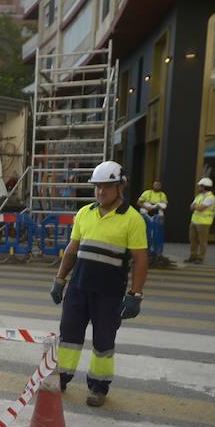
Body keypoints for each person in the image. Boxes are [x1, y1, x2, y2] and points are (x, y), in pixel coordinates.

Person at [49, 160, 148, 408]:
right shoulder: (85, 213)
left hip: (110, 294)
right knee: (69, 336)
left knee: (104, 342)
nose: (101, 192)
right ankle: (60, 379)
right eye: (97, 187)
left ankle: (98, 387)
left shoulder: (133, 219)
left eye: (106, 187)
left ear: (119, 187)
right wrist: (60, 280)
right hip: (78, 289)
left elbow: (140, 259)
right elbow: (72, 250)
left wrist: (135, 294)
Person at [187, 177, 215, 264]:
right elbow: (191, 207)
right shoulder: (199, 196)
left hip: (204, 222)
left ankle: (200, 258)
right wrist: (197, 206)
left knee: (202, 241)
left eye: (200, 186)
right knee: (192, 239)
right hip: (194, 221)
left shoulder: (211, 198)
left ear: (204, 187)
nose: (199, 188)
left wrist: (196, 206)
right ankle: (193, 256)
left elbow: (200, 208)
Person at [136, 179, 169, 261]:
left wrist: (159, 206)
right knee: (147, 234)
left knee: (158, 235)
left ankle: (157, 253)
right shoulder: (147, 193)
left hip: (158, 216)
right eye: (155, 185)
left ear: (160, 186)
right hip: (147, 216)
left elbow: (165, 206)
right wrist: (147, 207)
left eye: (158, 185)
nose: (156, 186)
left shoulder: (162, 195)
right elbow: (139, 203)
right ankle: (148, 253)